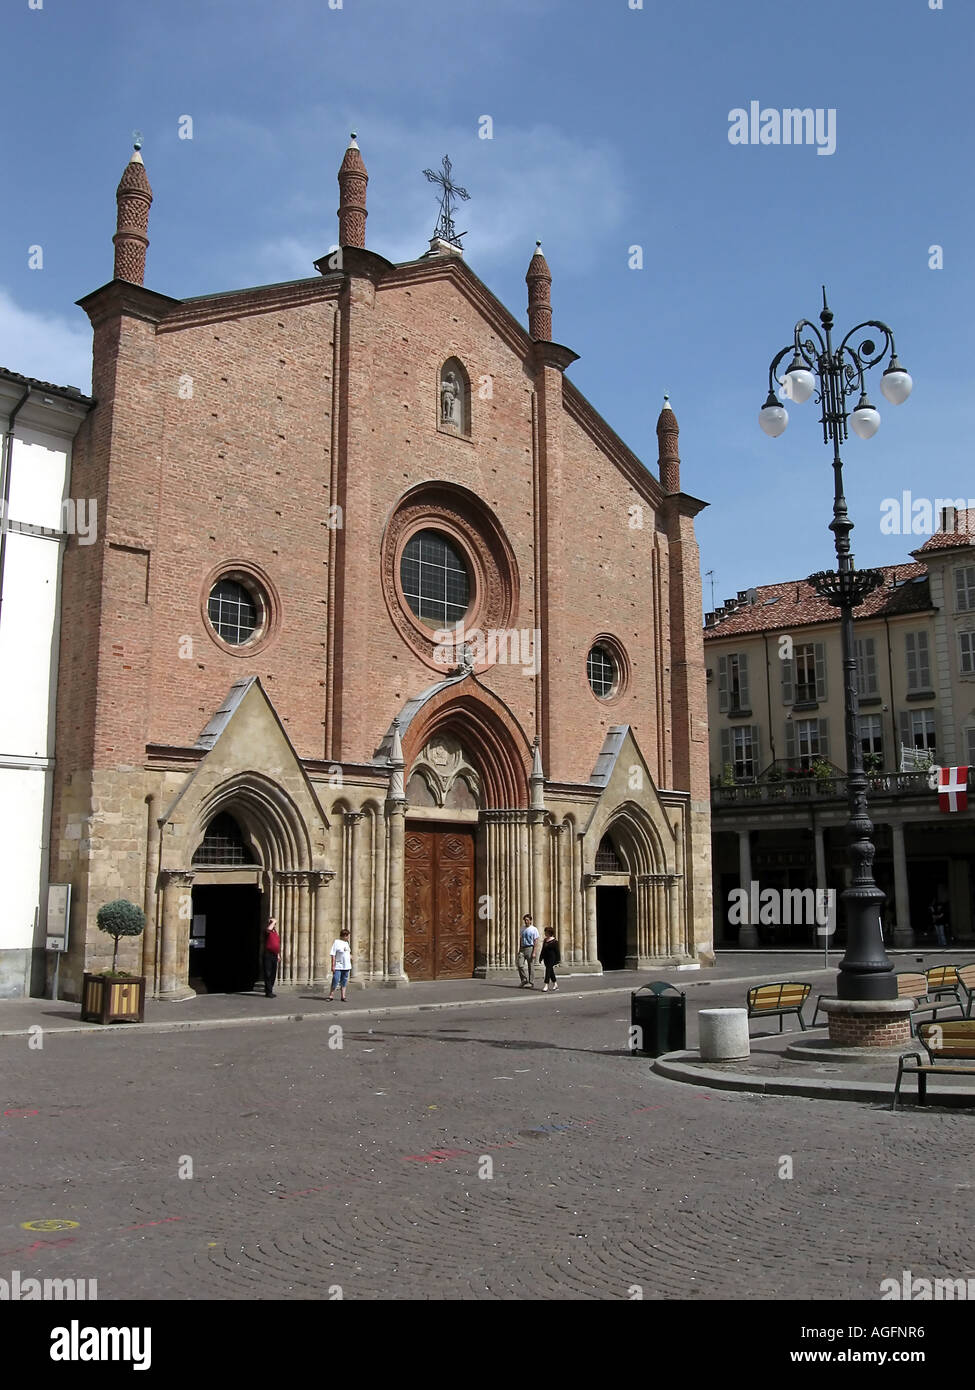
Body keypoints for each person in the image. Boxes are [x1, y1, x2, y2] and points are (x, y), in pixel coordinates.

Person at [329, 927, 352, 1001]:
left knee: (344, 981)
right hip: (338, 965)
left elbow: (347, 952)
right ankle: (331, 995)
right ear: (344, 935)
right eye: (347, 936)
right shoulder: (337, 942)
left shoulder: (347, 943)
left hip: (347, 966)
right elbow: (333, 954)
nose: (348, 937)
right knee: (335, 979)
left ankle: (343, 996)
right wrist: (333, 965)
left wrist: (351, 956)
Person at [517, 913, 539, 988]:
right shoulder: (522, 928)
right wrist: (519, 949)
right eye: (525, 920)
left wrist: (534, 952)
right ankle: (524, 979)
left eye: (527, 920)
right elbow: (520, 939)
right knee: (519, 965)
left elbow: (536, 941)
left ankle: (531, 982)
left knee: (531, 966)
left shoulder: (534, 929)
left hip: (530, 948)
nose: (525, 921)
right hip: (523, 948)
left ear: (530, 921)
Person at [539, 926, 561, 992]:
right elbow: (543, 950)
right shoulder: (545, 940)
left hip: (552, 958)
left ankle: (546, 985)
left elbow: (557, 951)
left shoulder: (554, 941)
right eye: (545, 932)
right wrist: (541, 957)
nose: (545, 933)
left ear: (550, 933)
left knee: (548, 970)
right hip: (546, 958)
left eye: (546, 932)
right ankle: (555, 984)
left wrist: (558, 960)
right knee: (550, 971)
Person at [263, 917, 280, 998]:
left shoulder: (275, 932)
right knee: (268, 973)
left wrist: (278, 954)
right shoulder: (267, 931)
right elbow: (268, 930)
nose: (274, 923)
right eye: (271, 922)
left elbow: (276, 944)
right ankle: (268, 991)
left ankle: (270, 990)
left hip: (274, 954)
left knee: (273, 973)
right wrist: (273, 921)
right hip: (268, 954)